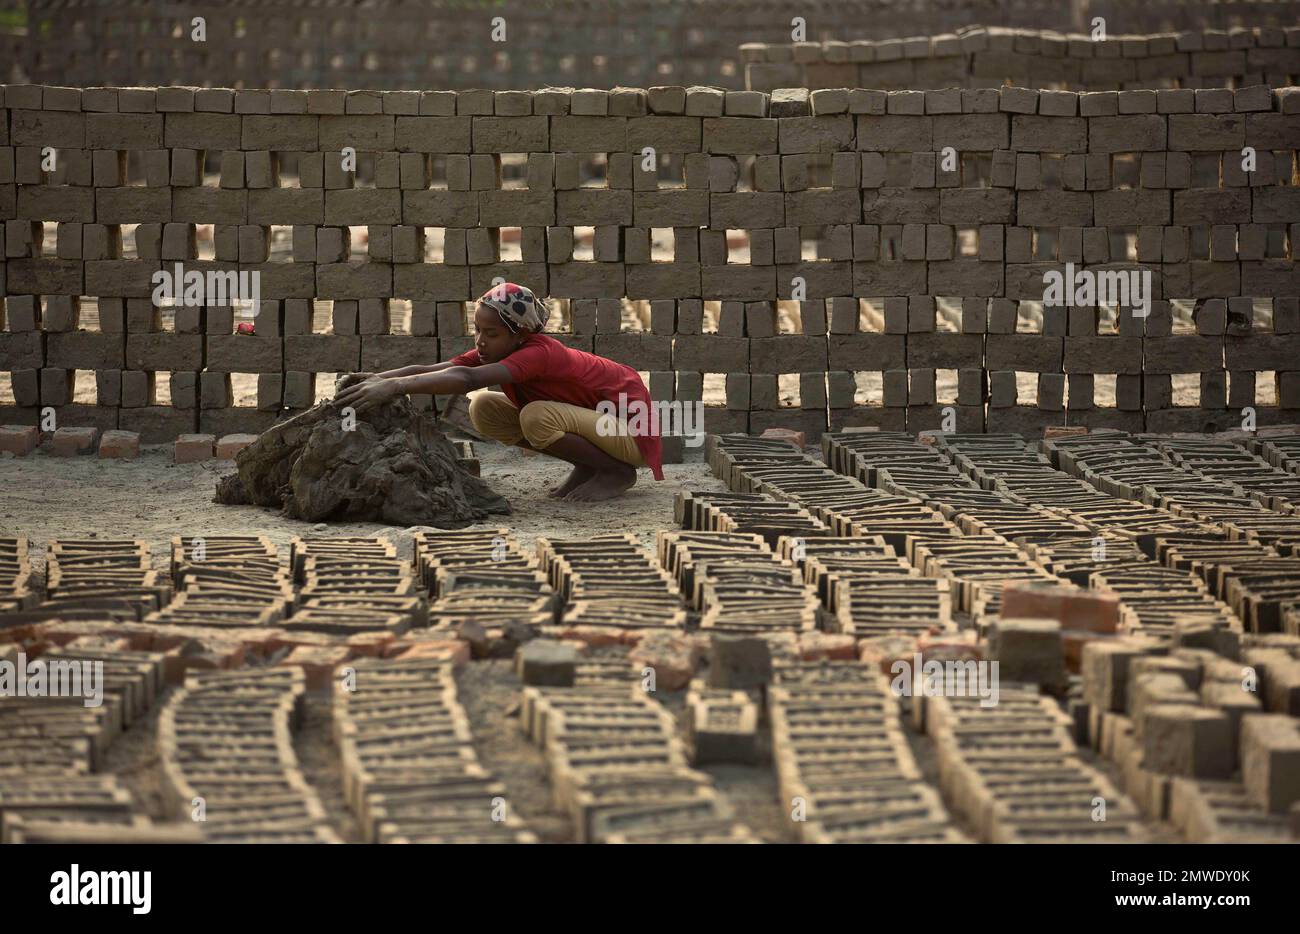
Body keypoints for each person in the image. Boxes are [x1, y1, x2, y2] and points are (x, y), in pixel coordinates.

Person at [336, 283, 664, 502]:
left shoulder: (539, 353)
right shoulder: (498, 349)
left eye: (490, 333)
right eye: (477, 330)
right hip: (596, 424)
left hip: (631, 430)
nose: (480, 340)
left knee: (536, 415)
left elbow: (465, 379)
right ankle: (589, 464)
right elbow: (431, 370)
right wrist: (375, 378)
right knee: (484, 409)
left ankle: (617, 470)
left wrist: (393, 387)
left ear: (519, 333)